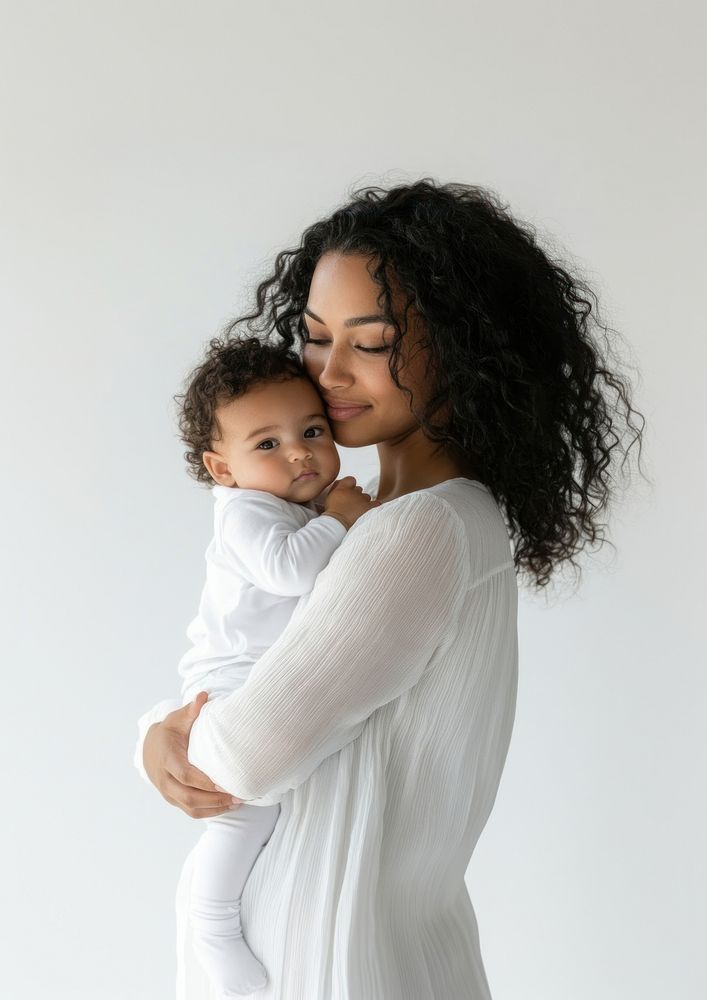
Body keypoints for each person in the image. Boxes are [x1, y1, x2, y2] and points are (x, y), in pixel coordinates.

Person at [134, 179, 645, 999]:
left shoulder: (415, 532)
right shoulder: (406, 520)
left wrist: (167, 731)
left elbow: (244, 756)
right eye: (312, 335)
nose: (327, 372)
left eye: (370, 343)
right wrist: (159, 735)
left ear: (462, 345)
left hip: (332, 959)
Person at [147, 335, 381, 996]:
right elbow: (289, 570)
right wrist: (338, 518)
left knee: (262, 809)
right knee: (243, 811)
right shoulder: (247, 511)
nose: (300, 452)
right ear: (222, 469)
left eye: (310, 430)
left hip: (254, 681)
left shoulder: (291, 505)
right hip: (227, 685)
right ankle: (213, 922)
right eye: (267, 444)